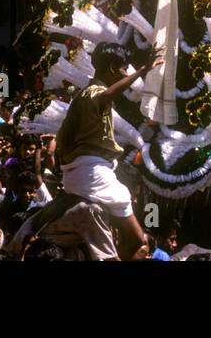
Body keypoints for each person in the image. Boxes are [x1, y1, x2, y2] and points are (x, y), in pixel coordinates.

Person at [54, 42, 162, 260]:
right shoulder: (95, 92)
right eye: (123, 69)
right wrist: (142, 70)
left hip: (79, 174)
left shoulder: (82, 95)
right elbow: (106, 96)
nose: (124, 73)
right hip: (92, 174)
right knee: (141, 243)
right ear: (113, 68)